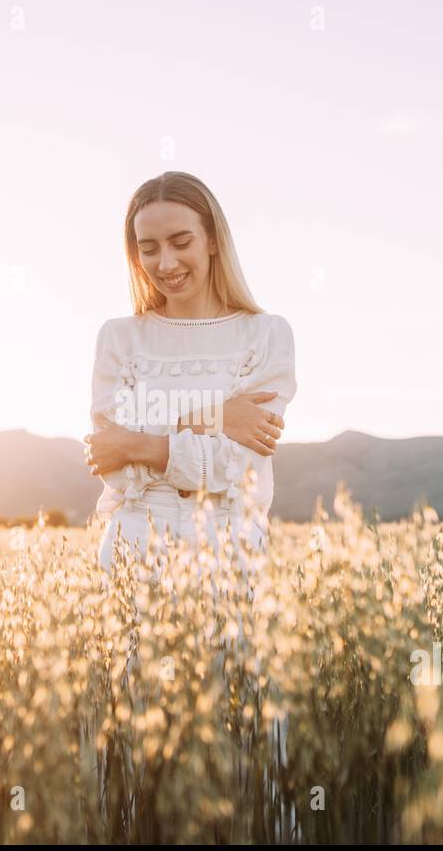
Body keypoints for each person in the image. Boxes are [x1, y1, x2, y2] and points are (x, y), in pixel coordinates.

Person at [84, 171, 297, 582]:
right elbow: (113, 463)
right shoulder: (118, 338)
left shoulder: (266, 335)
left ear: (213, 239)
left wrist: (140, 443)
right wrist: (214, 418)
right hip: (132, 555)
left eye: (181, 243)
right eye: (149, 249)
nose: (165, 263)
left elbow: (237, 468)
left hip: (231, 560)